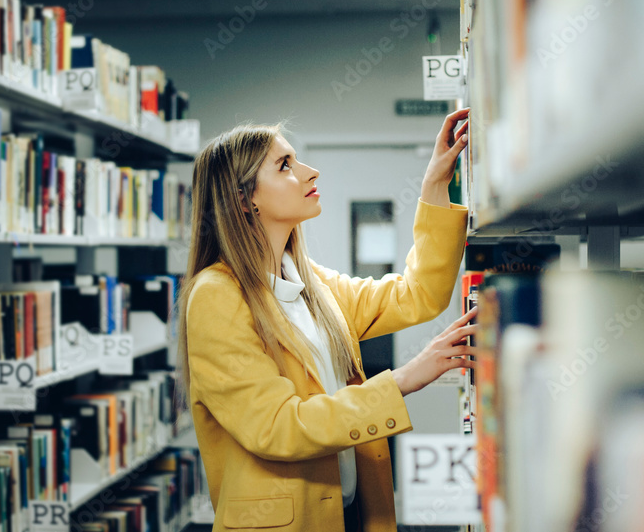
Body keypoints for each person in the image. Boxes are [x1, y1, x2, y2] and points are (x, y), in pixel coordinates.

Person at [175, 108, 477, 532]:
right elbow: (278, 427)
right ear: (245, 199)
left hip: (350, 513)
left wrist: (434, 186)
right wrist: (402, 380)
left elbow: (416, 295)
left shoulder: (311, 283)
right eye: (285, 165)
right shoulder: (217, 295)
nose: (310, 172)